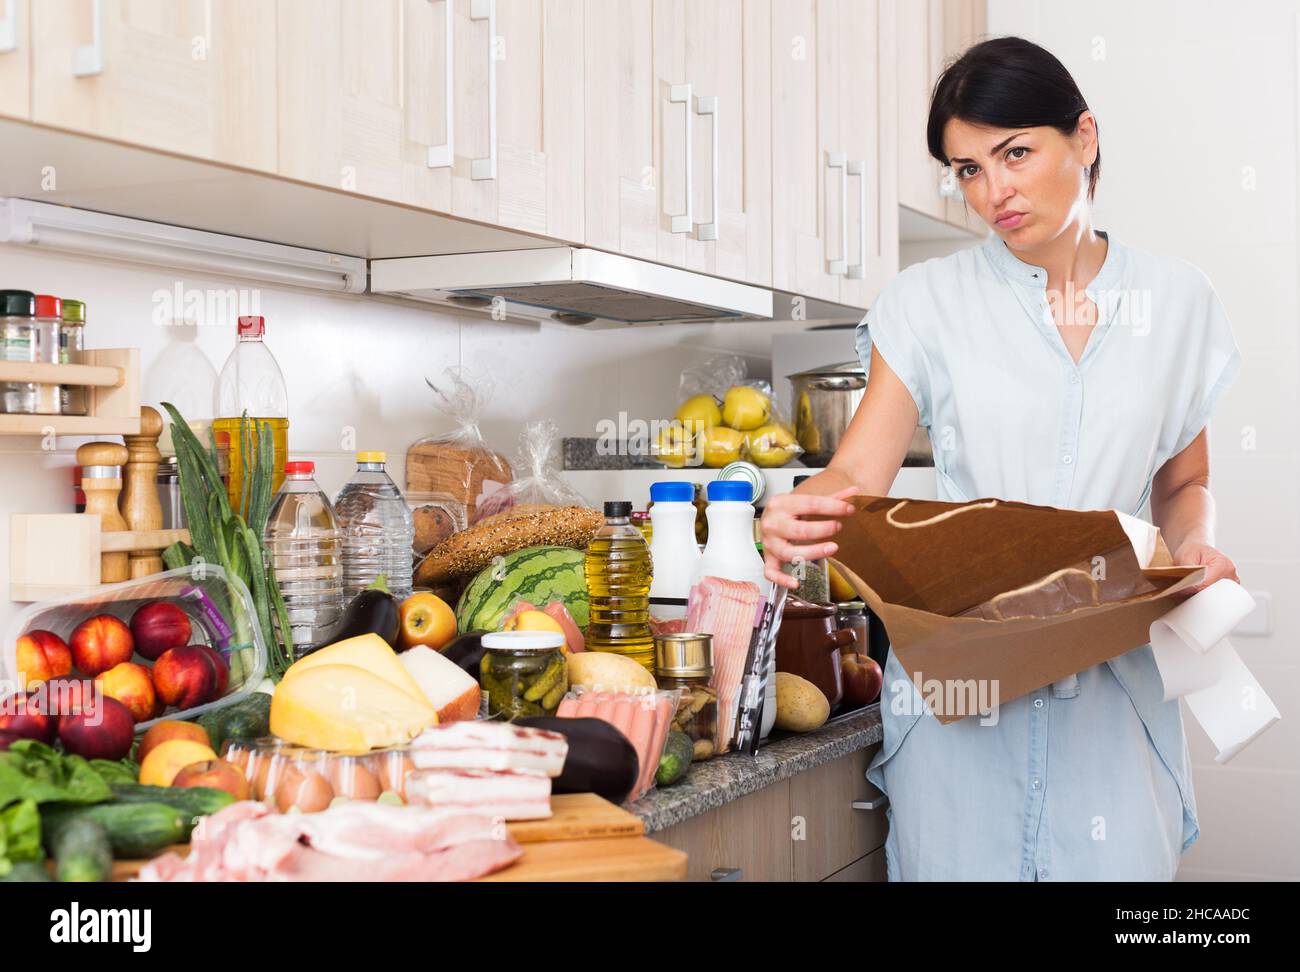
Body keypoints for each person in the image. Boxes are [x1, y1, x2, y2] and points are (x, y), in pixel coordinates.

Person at [760, 36, 1241, 881]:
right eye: (968, 168)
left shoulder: (1176, 302)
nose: (994, 190)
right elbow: (856, 475)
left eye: (1015, 152)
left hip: (1113, 692)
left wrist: (1194, 541)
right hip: (962, 696)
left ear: (1083, 139)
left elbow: (1186, 480)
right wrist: (806, 504)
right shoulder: (926, 303)